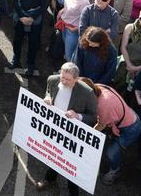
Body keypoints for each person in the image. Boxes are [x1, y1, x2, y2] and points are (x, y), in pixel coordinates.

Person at [35, 62, 98, 194]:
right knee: (54, 155)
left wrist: (78, 116)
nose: (63, 81)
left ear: (76, 78)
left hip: (72, 135)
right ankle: (50, 179)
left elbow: (93, 117)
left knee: (70, 164)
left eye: (67, 79)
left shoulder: (87, 92)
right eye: (62, 77)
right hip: (55, 129)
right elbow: (48, 90)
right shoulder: (53, 80)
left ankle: (73, 192)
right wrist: (47, 97)